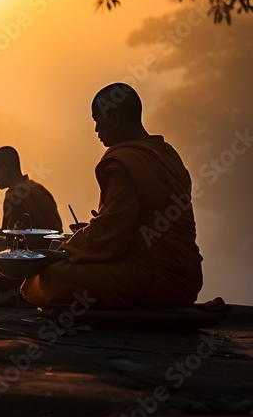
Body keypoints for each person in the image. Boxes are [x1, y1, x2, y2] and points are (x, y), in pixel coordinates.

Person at [22, 83, 204, 309]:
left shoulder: (124, 162)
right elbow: (130, 225)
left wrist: (65, 250)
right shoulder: (166, 154)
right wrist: (90, 231)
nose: (97, 129)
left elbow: (109, 236)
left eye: (98, 120)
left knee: (52, 276)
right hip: (187, 274)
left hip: (157, 277)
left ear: (115, 118)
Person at [0, 146, 63, 238]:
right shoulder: (39, 189)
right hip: (56, 249)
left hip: (34, 253)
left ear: (4, 171)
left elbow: (10, 241)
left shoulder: (14, 195)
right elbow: (12, 234)